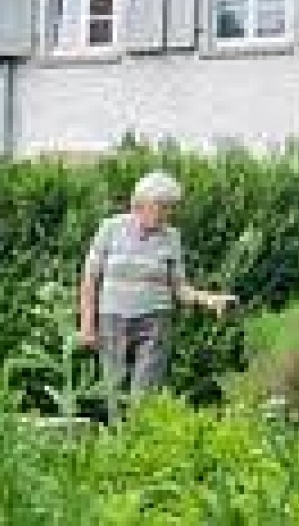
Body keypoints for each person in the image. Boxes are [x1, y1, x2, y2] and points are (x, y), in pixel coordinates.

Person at [77, 171, 236, 415]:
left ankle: (140, 435)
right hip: (112, 318)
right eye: (161, 207)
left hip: (155, 320)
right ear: (140, 203)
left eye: (170, 208)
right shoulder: (111, 228)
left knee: (145, 394)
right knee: (113, 388)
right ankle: (117, 437)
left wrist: (209, 299)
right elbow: (90, 278)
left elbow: (179, 288)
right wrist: (87, 324)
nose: (166, 214)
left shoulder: (172, 237)